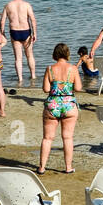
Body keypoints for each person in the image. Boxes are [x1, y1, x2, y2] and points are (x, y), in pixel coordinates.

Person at [38, 43, 82, 174]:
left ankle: (42, 167)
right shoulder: (73, 68)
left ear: (55, 54)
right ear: (67, 54)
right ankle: (68, 167)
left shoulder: (50, 69)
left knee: (47, 138)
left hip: (53, 104)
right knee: (67, 138)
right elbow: (79, 88)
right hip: (69, 104)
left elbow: (46, 89)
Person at [0, 0, 38, 88]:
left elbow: (2, 21)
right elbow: (33, 19)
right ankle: (33, 76)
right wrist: (35, 33)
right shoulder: (26, 5)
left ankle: (20, 79)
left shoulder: (8, 5)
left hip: (14, 32)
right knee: (29, 55)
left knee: (18, 58)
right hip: (26, 31)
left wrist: (2, 33)